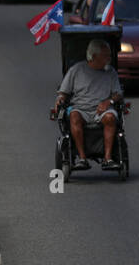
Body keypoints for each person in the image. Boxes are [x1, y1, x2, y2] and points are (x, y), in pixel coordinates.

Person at [51, 38, 124, 170]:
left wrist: (109, 101)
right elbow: (64, 92)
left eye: (109, 55)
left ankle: (108, 158)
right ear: (94, 56)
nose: (109, 58)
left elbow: (118, 93)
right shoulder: (76, 70)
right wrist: (60, 98)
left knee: (110, 118)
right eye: (105, 55)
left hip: (102, 110)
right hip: (81, 108)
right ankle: (82, 158)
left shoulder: (110, 72)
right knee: (73, 116)